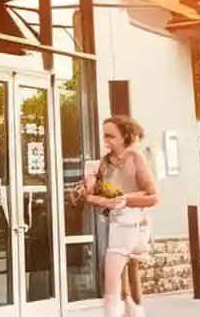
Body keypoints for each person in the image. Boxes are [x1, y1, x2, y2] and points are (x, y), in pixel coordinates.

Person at [83, 115, 159, 317]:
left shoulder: (136, 158)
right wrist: (92, 185)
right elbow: (92, 195)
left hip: (132, 225)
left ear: (125, 136)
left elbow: (153, 196)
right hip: (114, 223)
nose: (105, 140)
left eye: (110, 136)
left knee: (114, 275)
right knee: (125, 277)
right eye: (104, 136)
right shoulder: (106, 161)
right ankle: (133, 311)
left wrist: (125, 199)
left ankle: (122, 311)